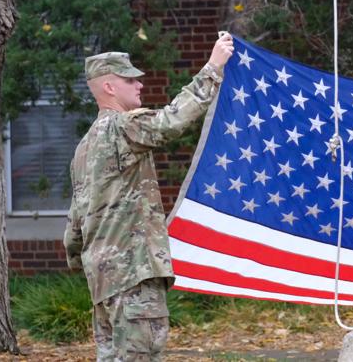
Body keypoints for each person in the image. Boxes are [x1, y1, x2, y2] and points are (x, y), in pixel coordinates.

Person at [64, 33, 233, 361]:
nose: (139, 85)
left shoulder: (84, 148)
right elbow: (172, 120)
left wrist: (82, 261)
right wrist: (214, 67)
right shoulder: (124, 127)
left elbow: (75, 220)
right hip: (134, 276)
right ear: (110, 87)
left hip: (105, 283)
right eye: (130, 80)